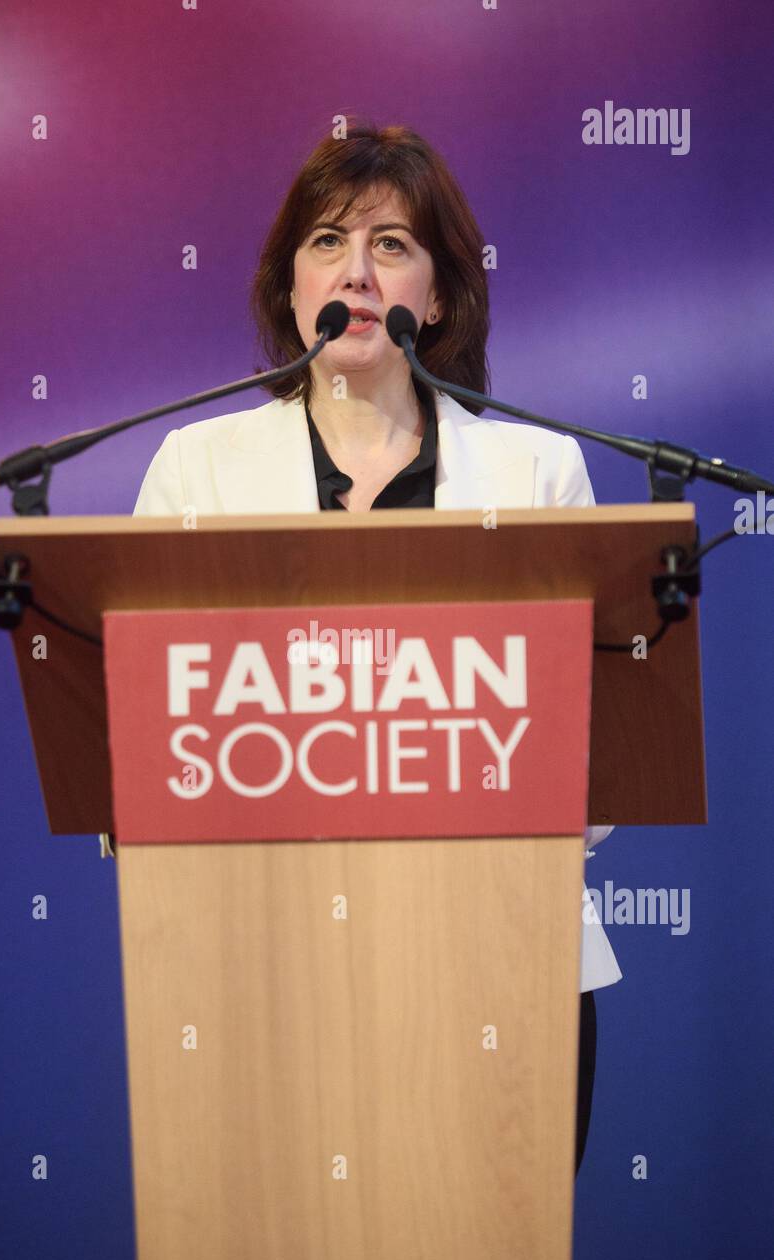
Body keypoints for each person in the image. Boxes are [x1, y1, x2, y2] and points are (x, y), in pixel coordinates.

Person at [131, 123, 622, 1175]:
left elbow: (599, 759)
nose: (355, 269)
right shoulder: (195, 470)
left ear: (437, 295)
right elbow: (144, 757)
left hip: (501, 962)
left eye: (391, 243)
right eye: (324, 241)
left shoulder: (537, 472)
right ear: (290, 290)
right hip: (260, 973)